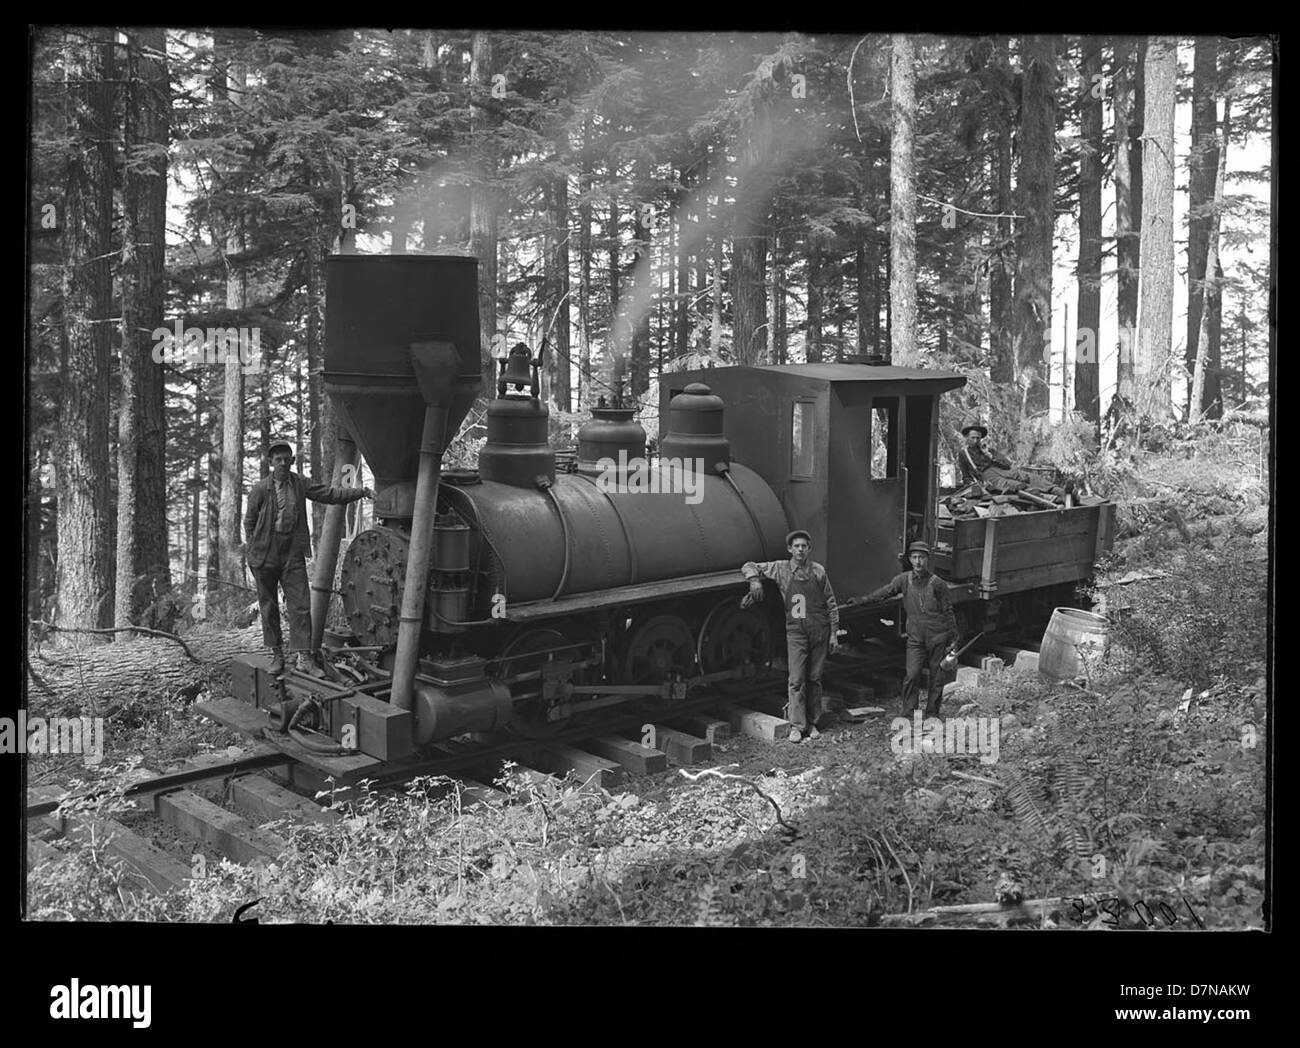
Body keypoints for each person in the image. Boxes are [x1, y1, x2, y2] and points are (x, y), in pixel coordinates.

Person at [244, 440, 372, 675]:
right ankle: (277, 655)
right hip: (265, 555)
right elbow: (249, 522)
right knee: (268, 607)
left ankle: (305, 658)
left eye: (286, 459)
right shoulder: (261, 489)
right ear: (271, 463)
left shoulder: (299, 483)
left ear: (292, 462)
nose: (282, 463)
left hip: (292, 552)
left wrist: (360, 492)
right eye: (278, 459)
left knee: (301, 605)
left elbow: (330, 494)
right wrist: (255, 551)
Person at [741, 530, 840, 744]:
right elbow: (749, 565)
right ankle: (797, 726)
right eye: (796, 546)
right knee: (796, 680)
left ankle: (812, 723)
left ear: (809, 549)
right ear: (790, 549)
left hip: (819, 630)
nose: (800, 549)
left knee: (814, 679)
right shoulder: (780, 569)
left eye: (804, 546)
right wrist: (754, 581)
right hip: (796, 632)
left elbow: (831, 603)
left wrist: (834, 633)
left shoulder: (818, 572)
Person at [848, 541, 957, 718]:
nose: (918, 562)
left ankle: (932, 713)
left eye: (921, 557)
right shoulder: (904, 580)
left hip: (937, 636)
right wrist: (863, 600)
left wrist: (953, 641)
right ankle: (908, 712)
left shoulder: (938, 584)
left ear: (927, 559)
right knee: (912, 675)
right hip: (915, 638)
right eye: (914, 558)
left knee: (936, 678)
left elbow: (948, 612)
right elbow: (885, 592)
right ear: (910, 560)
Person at [956, 421, 1070, 497]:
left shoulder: (989, 450)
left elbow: (1007, 463)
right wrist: (975, 485)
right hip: (987, 475)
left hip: (1002, 469)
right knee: (1013, 485)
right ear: (967, 438)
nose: (976, 441)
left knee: (1028, 477)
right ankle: (1051, 497)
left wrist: (990, 455)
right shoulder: (963, 454)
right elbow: (966, 476)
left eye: (978, 438)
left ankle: (1060, 492)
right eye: (973, 438)